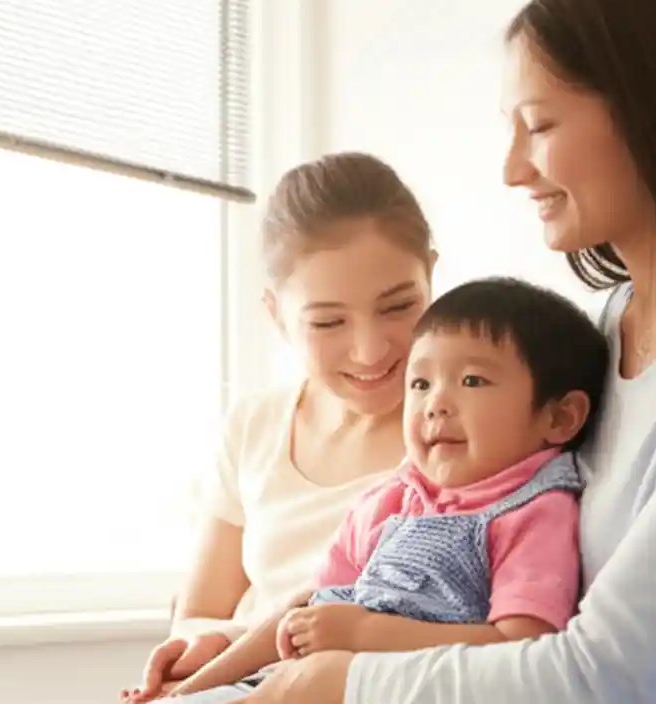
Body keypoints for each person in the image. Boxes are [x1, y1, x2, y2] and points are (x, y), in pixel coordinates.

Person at [234, 0, 656, 702]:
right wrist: (237, 649)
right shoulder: (596, 333)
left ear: (655, 118)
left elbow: (598, 675)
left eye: (539, 125)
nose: (513, 169)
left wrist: (350, 681)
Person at [135, 278, 608, 704]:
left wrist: (365, 631)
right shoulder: (393, 501)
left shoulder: (535, 512)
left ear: (559, 417)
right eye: (420, 383)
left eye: (472, 380)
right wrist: (185, 691)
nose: (435, 404)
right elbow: (307, 612)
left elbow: (523, 648)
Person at [120, 153, 439, 702]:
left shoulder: (464, 436)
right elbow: (200, 611)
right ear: (277, 315)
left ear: (431, 275)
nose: (369, 349)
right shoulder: (255, 426)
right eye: (328, 322)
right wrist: (206, 646)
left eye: (398, 306)